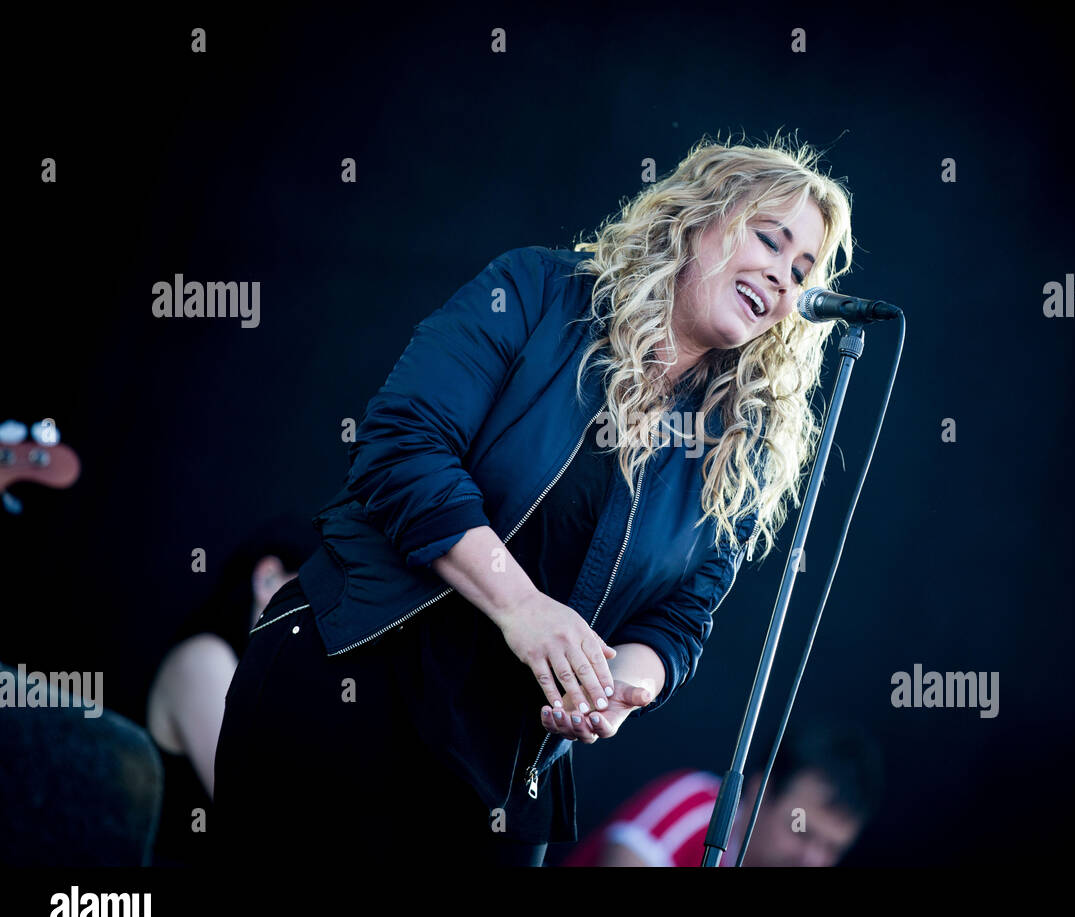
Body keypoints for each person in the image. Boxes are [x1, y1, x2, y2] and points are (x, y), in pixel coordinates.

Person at [214, 132, 857, 867]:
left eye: (802, 270)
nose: (783, 277)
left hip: (503, 772)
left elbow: (683, 616)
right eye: (770, 241)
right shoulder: (538, 292)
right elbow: (403, 445)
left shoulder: (737, 440)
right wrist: (521, 608)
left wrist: (623, 686)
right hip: (354, 685)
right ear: (699, 218)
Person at [144, 515, 315, 866]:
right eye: (328, 601)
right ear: (269, 578)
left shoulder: (281, 693)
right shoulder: (205, 659)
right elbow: (264, 827)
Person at [559, 724, 883, 867]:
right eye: (802, 830)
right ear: (759, 791)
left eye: (832, 849)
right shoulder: (693, 808)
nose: (812, 859)